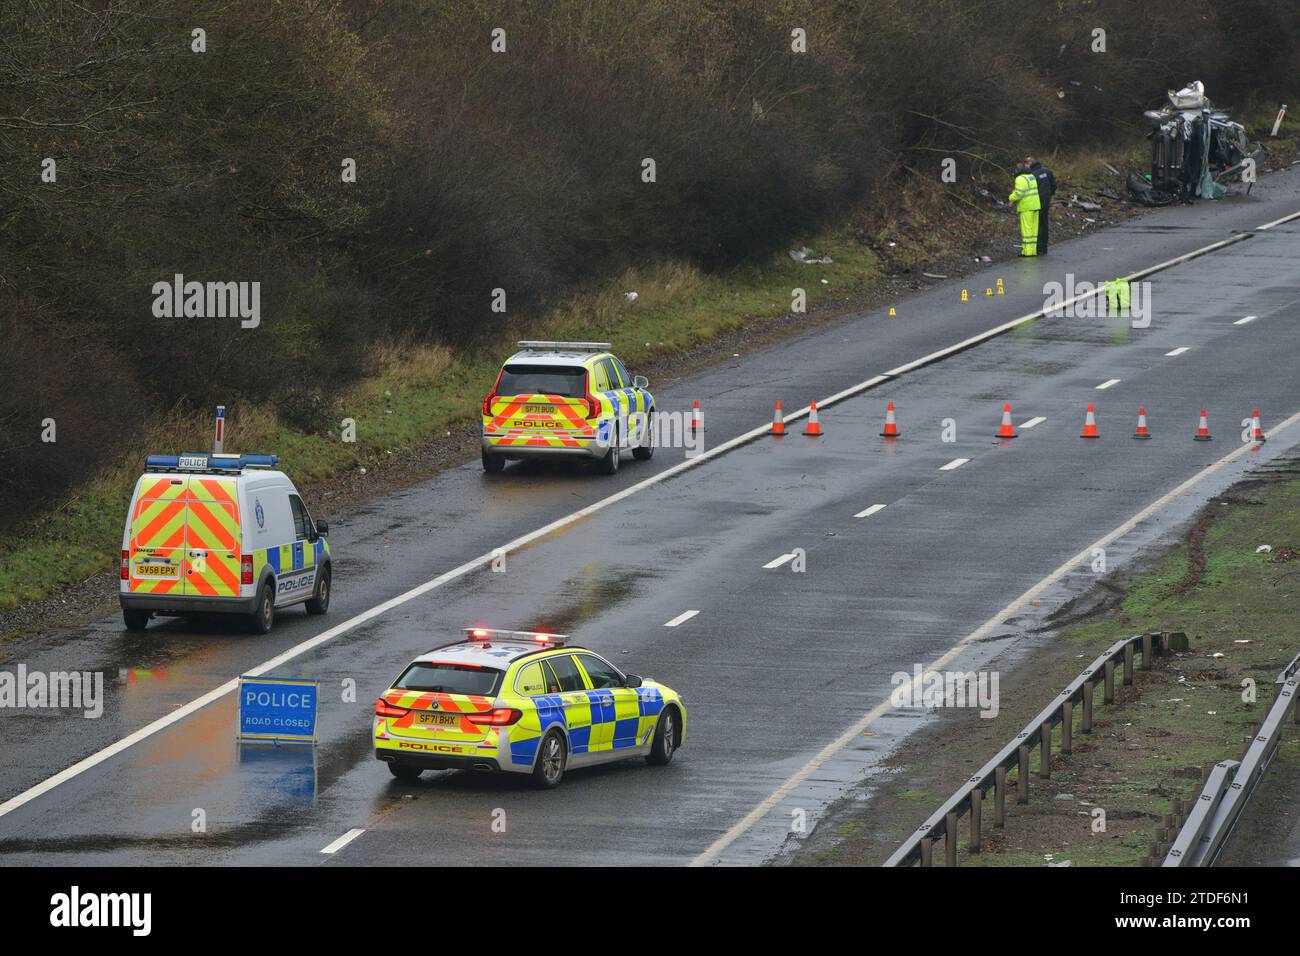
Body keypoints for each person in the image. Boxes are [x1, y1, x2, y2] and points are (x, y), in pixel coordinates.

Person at [1008, 161, 1041, 257]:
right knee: (1034, 231)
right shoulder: (1031, 177)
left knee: (1026, 231)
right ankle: (1033, 251)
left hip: (1026, 207)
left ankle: (1027, 252)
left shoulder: (1020, 179)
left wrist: (1010, 197)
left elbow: (1019, 193)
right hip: (1035, 206)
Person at [1027, 156, 1057, 254]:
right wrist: (1051, 194)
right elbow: (1053, 185)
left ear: (1029, 164)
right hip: (1046, 200)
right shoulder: (1047, 171)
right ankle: (1044, 246)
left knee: (1037, 224)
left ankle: (1039, 247)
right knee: (1044, 223)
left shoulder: (1032, 175)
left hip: (1037, 201)